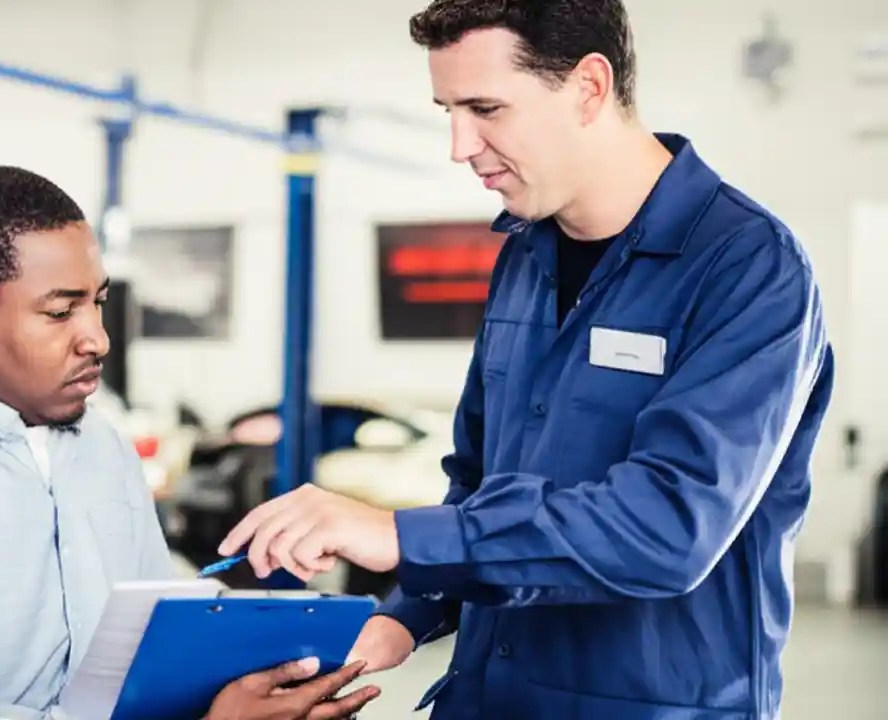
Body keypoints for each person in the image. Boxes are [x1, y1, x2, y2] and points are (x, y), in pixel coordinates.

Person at [216, 1, 836, 719]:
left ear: (589, 88)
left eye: (486, 108)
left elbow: (667, 528)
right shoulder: (524, 256)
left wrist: (393, 534)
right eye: (448, 109)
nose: (459, 144)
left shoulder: (747, 268)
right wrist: (401, 617)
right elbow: (479, 487)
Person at [0, 166, 377, 720]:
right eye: (60, 311)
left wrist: (265, 647)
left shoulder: (101, 446)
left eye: (97, 303)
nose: (97, 338)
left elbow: (163, 635)